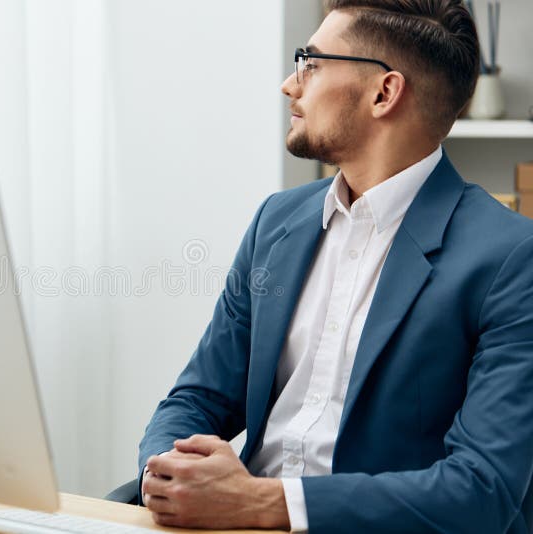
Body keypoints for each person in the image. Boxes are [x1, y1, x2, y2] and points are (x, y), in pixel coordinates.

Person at [137, 1, 533, 532]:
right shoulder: (276, 222)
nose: (289, 84)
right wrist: (167, 473)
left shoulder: (510, 258)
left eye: (311, 62)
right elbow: (199, 397)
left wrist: (260, 503)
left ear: (384, 92)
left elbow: (483, 489)